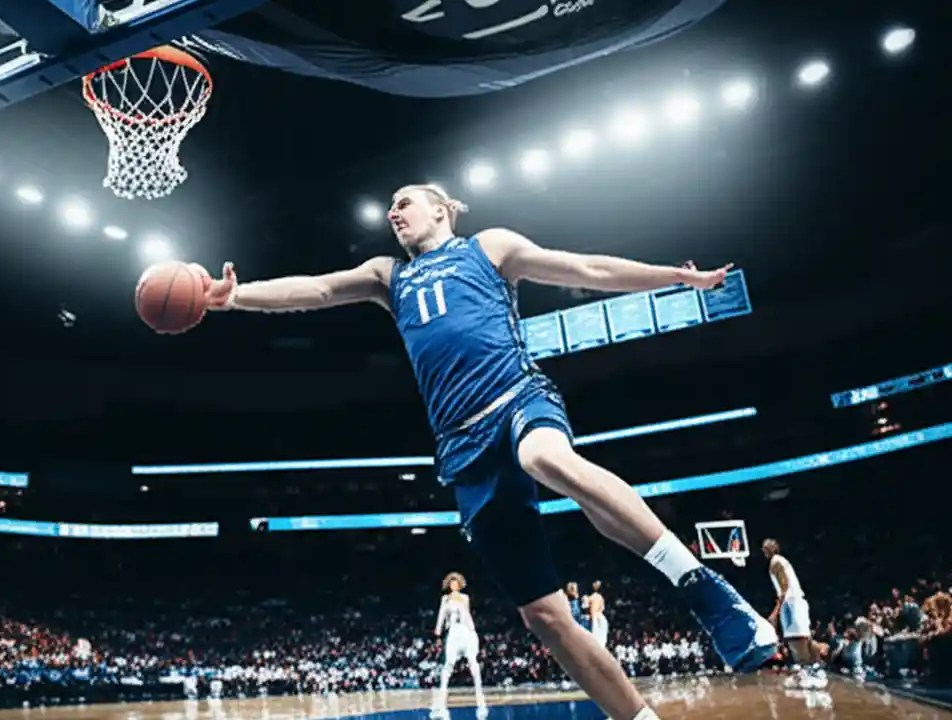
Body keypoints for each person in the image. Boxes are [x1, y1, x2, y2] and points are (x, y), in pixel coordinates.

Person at [203, 184, 777, 720]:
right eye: (390, 209)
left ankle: (702, 586)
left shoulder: (488, 247)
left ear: (443, 209)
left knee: (543, 458)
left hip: (516, 397)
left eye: (405, 202)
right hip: (461, 447)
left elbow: (586, 268)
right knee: (545, 617)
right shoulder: (389, 275)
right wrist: (236, 298)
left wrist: (677, 278)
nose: (393, 214)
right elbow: (319, 289)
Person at [761, 538, 825, 688]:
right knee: (805, 640)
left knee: (796, 641)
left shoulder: (775, 562)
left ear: (773, 548)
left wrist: (775, 613)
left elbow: (784, 587)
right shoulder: (782, 561)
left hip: (791, 603)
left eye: (766, 547)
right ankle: (816, 667)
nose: (763, 550)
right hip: (797, 602)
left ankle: (806, 675)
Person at [432, 572, 486, 719]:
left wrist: (473, 632)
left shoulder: (464, 598)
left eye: (456, 583)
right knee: (448, 665)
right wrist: (438, 632)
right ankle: (441, 702)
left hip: (465, 631)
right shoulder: (445, 599)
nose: (454, 585)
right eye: (451, 583)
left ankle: (480, 699)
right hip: (453, 633)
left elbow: (467, 615)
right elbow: (441, 616)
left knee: (473, 664)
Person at [586, 581, 609, 646]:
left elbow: (592, 611)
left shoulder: (591, 598)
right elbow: (602, 608)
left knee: (595, 643)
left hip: (595, 619)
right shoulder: (601, 598)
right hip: (602, 619)